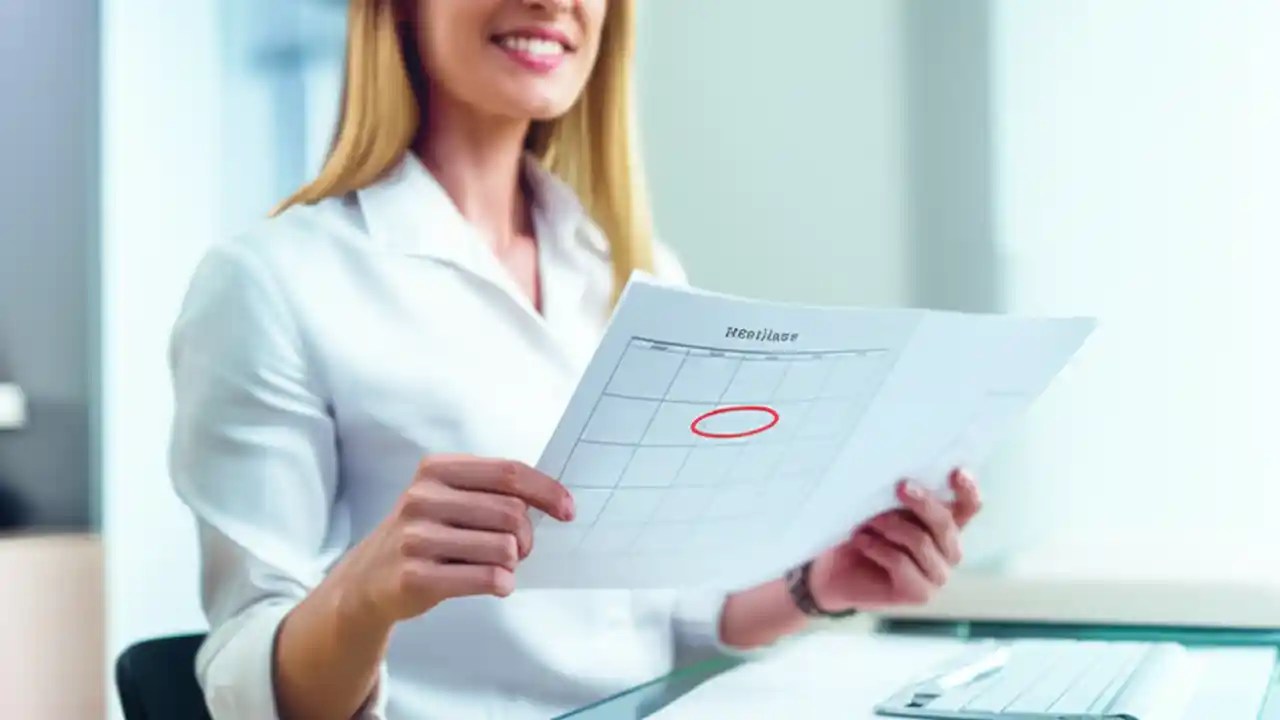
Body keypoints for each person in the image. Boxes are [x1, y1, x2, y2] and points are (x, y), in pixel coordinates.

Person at [169, 1, 984, 718]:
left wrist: (824, 582)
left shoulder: (638, 274)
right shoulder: (273, 282)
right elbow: (248, 692)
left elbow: (676, 615)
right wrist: (365, 591)